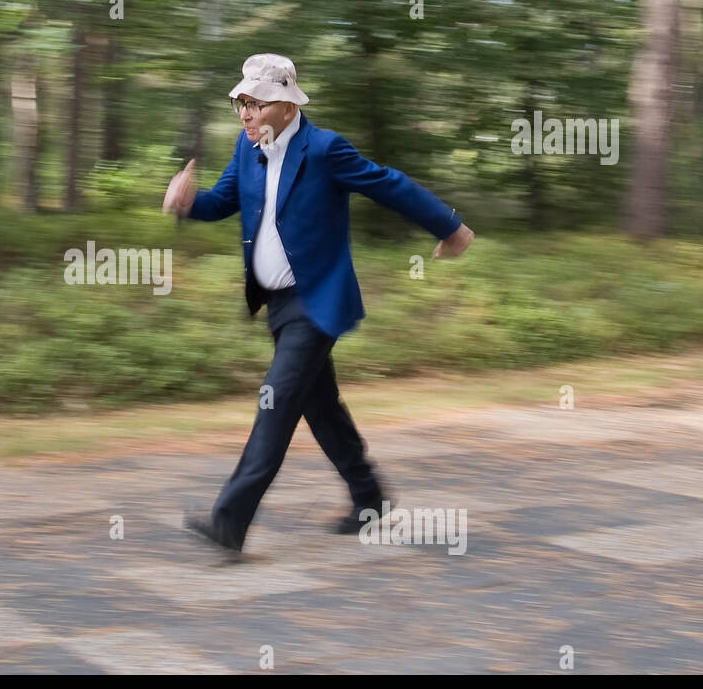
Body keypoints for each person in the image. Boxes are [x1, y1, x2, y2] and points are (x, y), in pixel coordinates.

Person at [163, 53, 474, 553]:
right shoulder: (248, 150)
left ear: (287, 106)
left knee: (276, 401)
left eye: (256, 104)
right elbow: (220, 201)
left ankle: (229, 521)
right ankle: (369, 496)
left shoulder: (325, 150)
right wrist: (186, 203)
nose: (245, 114)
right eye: (240, 103)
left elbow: (389, 185)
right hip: (278, 305)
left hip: (318, 302)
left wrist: (450, 227)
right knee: (319, 405)